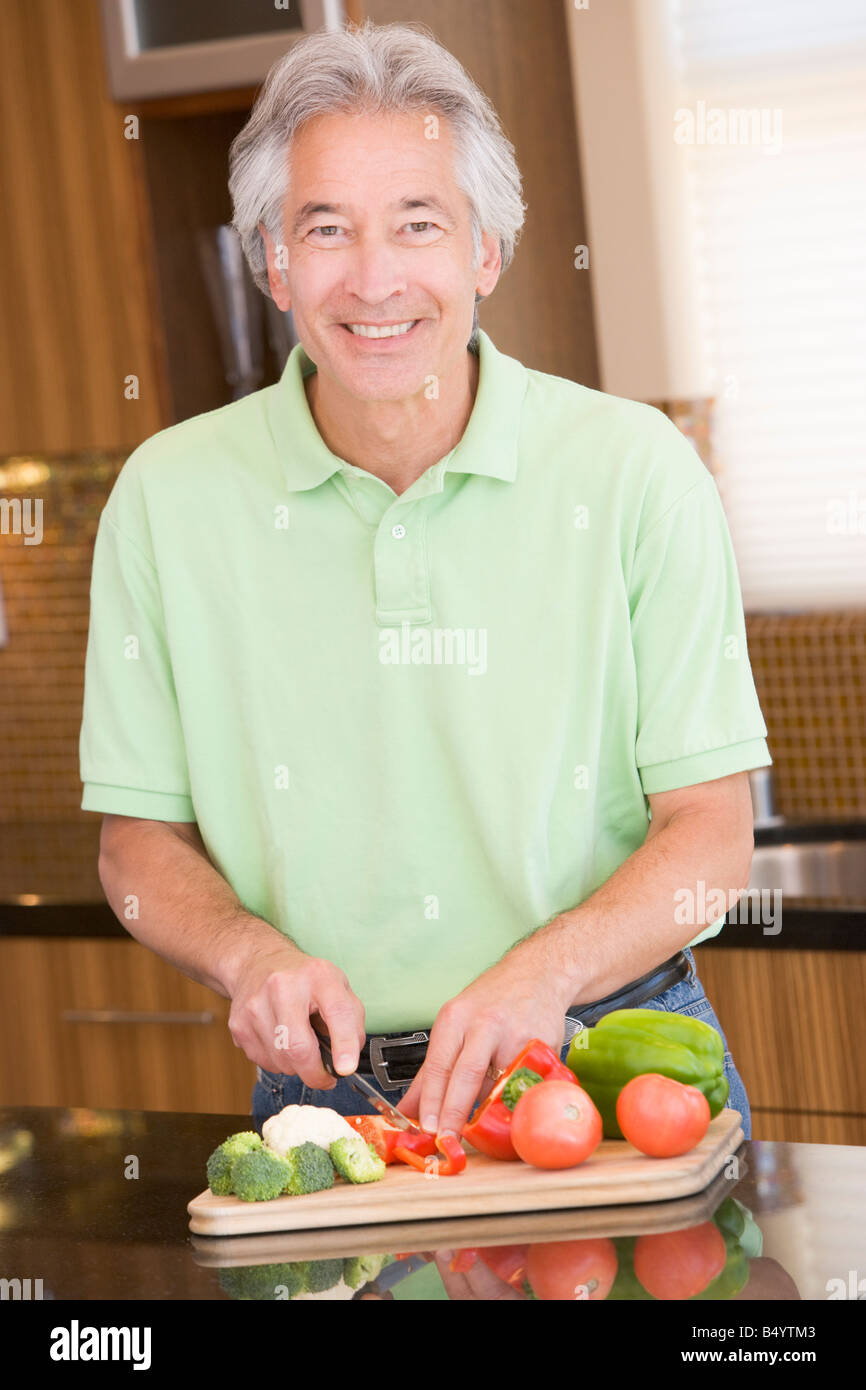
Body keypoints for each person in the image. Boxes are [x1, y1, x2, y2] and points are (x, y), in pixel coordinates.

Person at [80, 19, 769, 1144]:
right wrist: (249, 955)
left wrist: (540, 972)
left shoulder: (634, 468)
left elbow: (709, 828)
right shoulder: (166, 498)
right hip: (328, 1097)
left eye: (418, 224)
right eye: (325, 228)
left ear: (484, 251)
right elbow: (135, 841)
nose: (374, 278)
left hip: (605, 1065)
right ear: (273, 260)